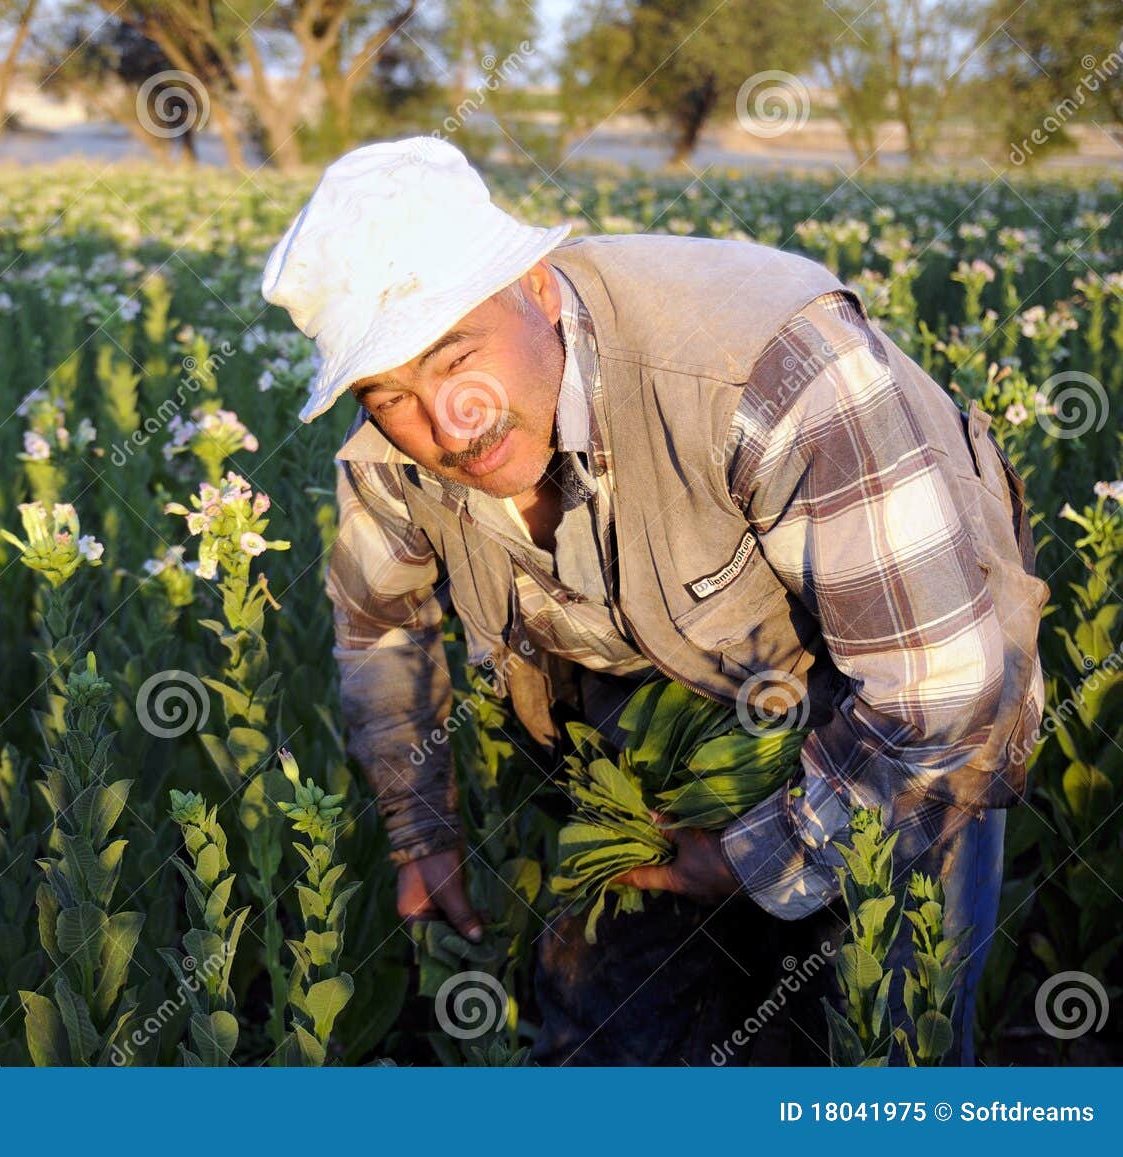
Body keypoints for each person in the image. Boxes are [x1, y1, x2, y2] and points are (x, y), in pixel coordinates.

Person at [259, 135, 1049, 1065]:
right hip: (660, 756)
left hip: (898, 733)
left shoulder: (770, 367)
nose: (447, 426)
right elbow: (381, 626)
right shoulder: (395, 455)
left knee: (881, 1055)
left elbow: (947, 691)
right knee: (618, 1048)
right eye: (389, 393)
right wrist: (419, 826)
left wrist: (758, 858)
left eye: (455, 357)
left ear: (538, 287)